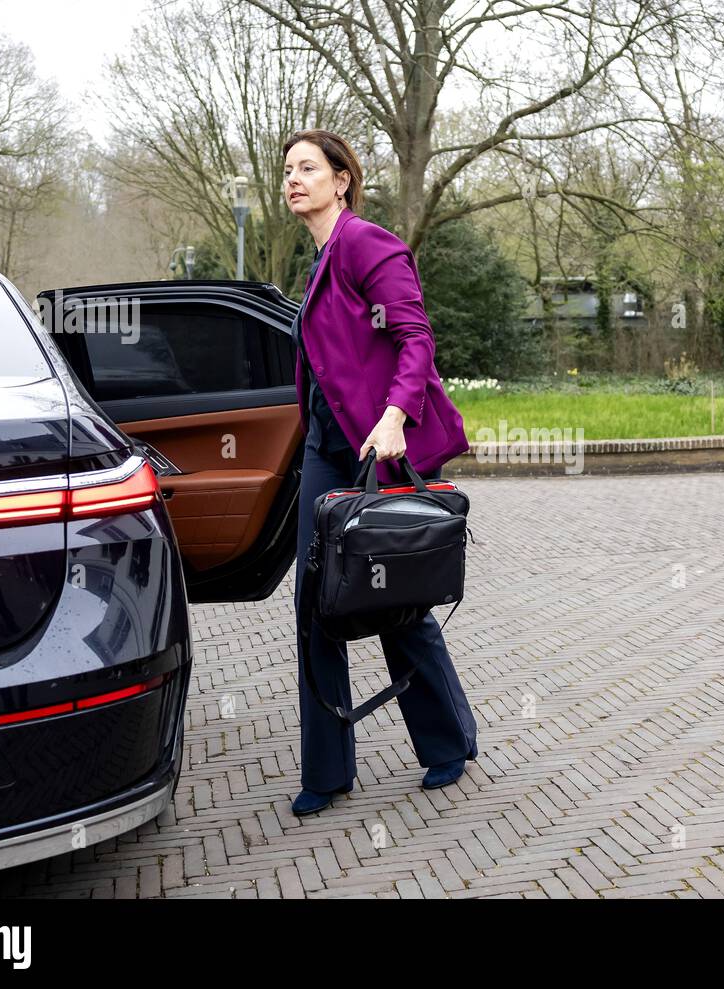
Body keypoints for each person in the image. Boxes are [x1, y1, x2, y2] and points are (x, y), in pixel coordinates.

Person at [282, 129, 477, 816]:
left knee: (391, 591)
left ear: (342, 180)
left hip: (377, 446)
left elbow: (414, 336)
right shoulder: (319, 260)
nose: (294, 178)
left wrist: (397, 413)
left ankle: (448, 741)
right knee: (315, 599)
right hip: (324, 449)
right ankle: (327, 771)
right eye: (288, 170)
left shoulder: (367, 243)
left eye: (308, 168)